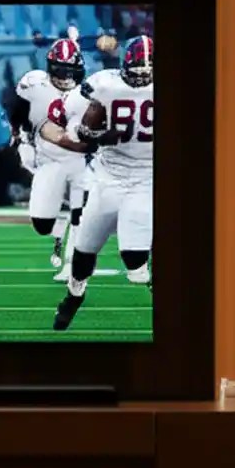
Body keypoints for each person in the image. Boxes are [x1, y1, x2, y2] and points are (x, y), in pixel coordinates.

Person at [52, 35, 154, 331]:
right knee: (84, 250)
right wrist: (92, 134)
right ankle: (73, 297)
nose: (139, 79)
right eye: (134, 72)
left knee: (134, 257)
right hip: (107, 176)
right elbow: (66, 117)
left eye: (144, 72)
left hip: (145, 178)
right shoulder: (104, 84)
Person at [11, 38, 95, 278]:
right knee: (41, 224)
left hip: (81, 159)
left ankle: (72, 264)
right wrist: (21, 141)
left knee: (81, 212)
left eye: (70, 70)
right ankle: (59, 224)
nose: (65, 76)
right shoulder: (34, 84)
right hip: (47, 160)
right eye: (59, 70)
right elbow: (16, 114)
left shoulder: (89, 91)